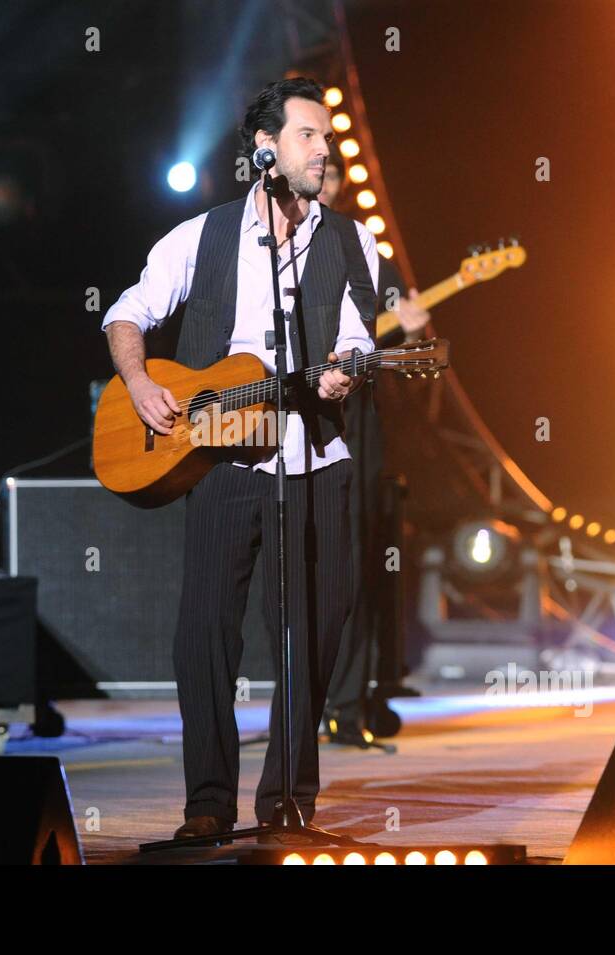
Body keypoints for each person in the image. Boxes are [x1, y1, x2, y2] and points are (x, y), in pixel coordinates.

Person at [101, 77, 377, 840]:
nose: (326, 148)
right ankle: (207, 804)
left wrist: (343, 368)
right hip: (221, 458)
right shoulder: (203, 234)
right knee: (206, 635)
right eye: (309, 135)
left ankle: (287, 804)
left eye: (328, 136)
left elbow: (358, 337)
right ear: (267, 149)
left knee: (314, 630)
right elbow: (127, 311)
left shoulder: (355, 240)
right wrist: (141, 378)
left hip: (316, 460)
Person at [316, 148, 431, 740]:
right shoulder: (267, 245)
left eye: (333, 172)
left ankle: (349, 703)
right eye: (319, 168)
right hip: (288, 419)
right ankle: (305, 703)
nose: (325, 179)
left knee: (355, 558)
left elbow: (408, 331)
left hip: (354, 421)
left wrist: (414, 324)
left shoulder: (365, 251)